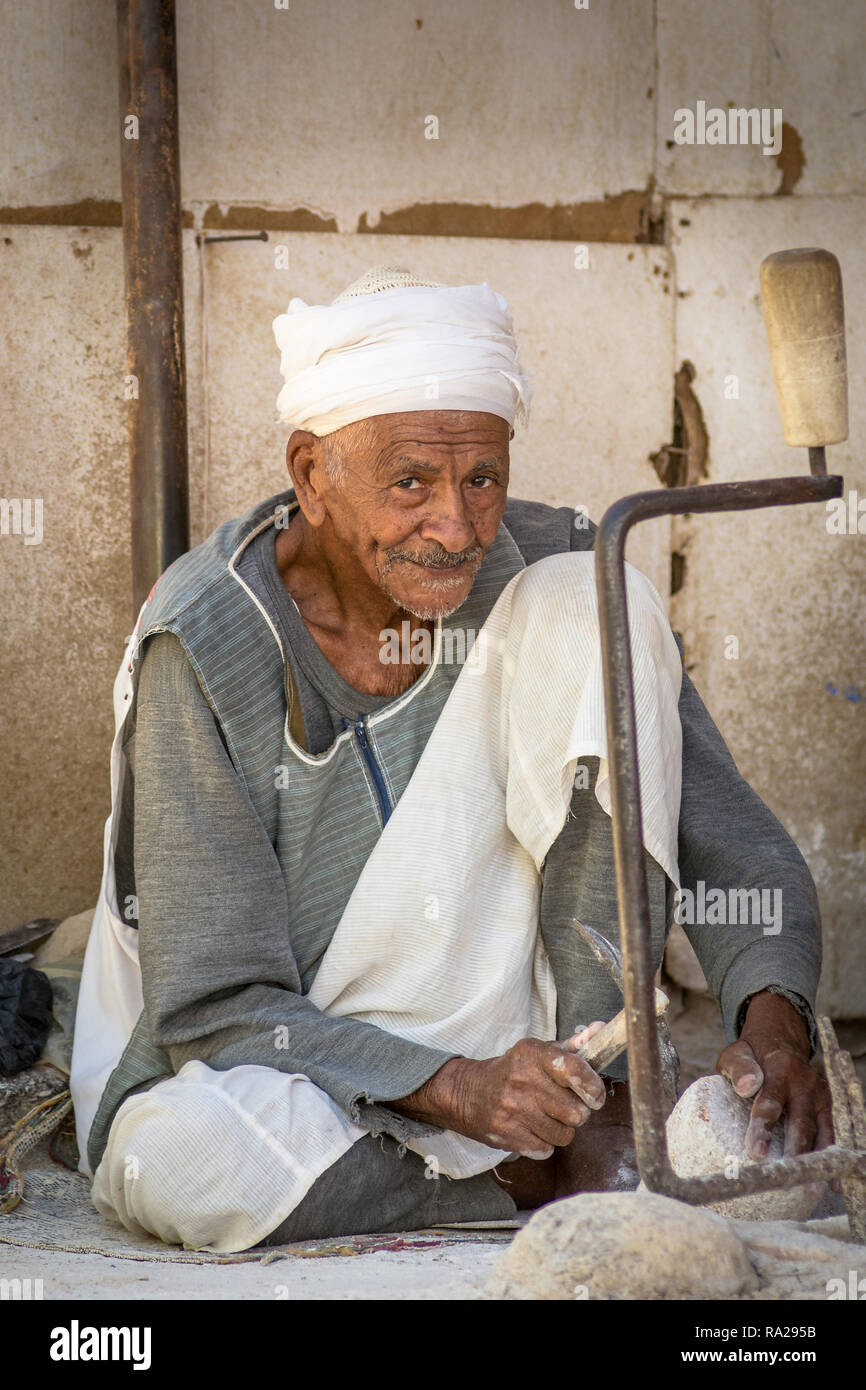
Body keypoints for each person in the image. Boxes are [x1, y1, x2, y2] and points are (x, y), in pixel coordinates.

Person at [69, 266, 830, 1254]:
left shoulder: (546, 559)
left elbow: (738, 855)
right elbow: (213, 1003)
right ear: (310, 474)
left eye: (481, 478)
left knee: (589, 594)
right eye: (410, 484)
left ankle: (599, 1101)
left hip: (541, 1059)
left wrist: (776, 1021)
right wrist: (459, 1090)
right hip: (307, 1070)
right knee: (182, 1158)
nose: (458, 528)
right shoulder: (209, 637)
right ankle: (540, 1170)